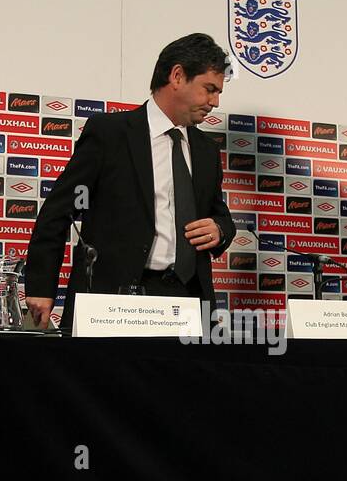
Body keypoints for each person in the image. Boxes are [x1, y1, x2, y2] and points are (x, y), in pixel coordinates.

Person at [24, 33, 235, 330]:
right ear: (177, 76)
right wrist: (41, 288)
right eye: (209, 89)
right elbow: (58, 212)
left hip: (188, 302)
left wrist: (220, 229)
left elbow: (219, 214)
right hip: (114, 301)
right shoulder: (109, 134)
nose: (214, 102)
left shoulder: (207, 151)